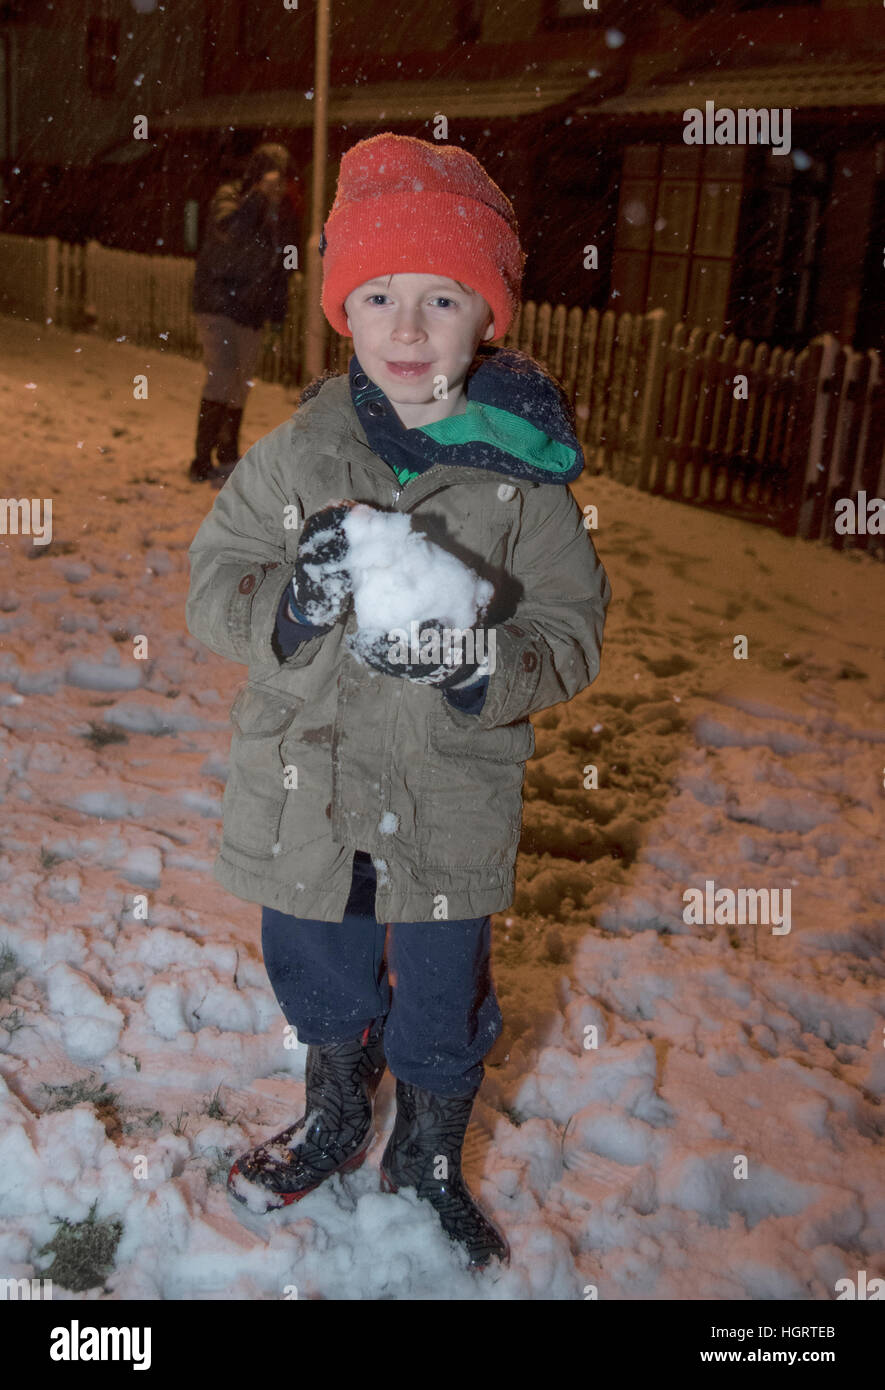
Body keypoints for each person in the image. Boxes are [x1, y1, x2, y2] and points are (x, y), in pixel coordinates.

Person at [184, 133, 611, 1271]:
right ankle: (334, 1099)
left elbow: (568, 637)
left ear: (489, 318)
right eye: (378, 297)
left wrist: (482, 661)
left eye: (442, 298)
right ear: (343, 312)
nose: (409, 331)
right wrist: (288, 602)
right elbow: (209, 582)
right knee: (317, 958)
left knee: (438, 987)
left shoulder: (527, 485)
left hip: (444, 796)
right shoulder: (299, 452)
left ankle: (425, 1150)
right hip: (308, 787)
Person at [189, 141, 299, 486]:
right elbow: (230, 234)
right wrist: (257, 199)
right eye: (272, 180)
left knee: (241, 380)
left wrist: (278, 312)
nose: (278, 189)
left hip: (251, 309)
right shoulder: (231, 198)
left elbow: (282, 267)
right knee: (221, 373)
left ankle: (227, 454)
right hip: (219, 303)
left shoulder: (281, 217)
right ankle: (201, 459)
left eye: (281, 182)